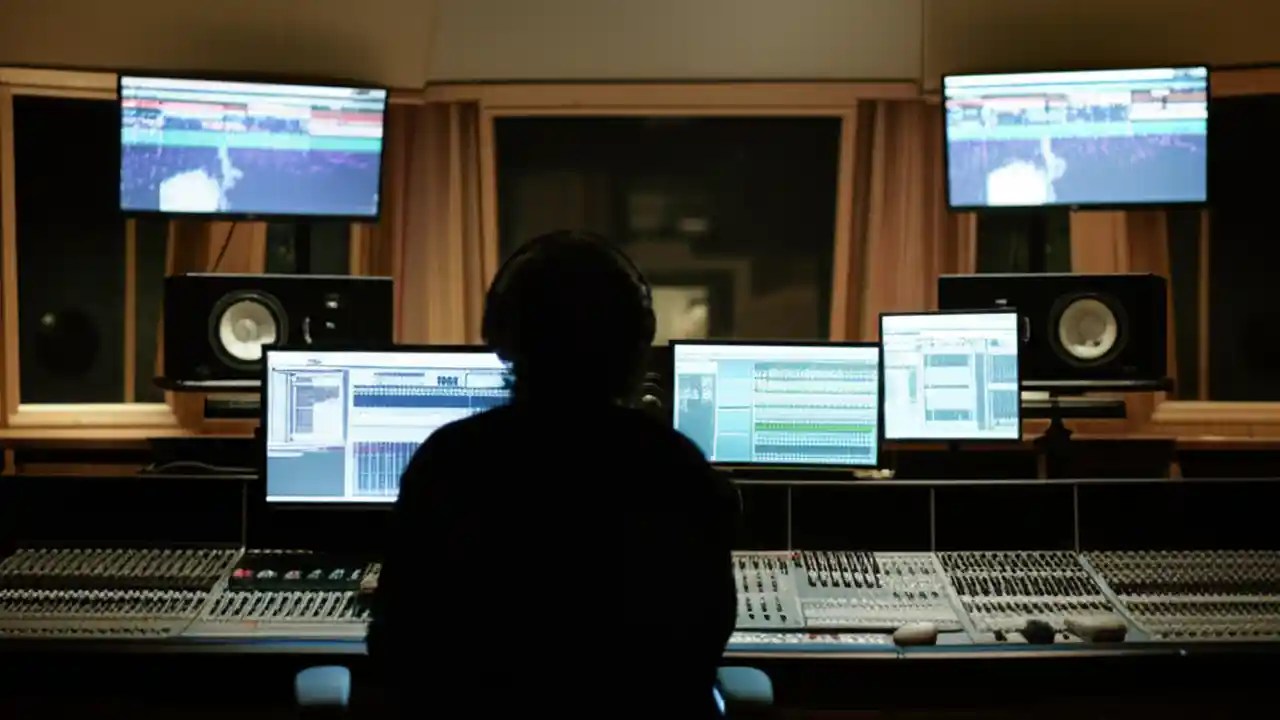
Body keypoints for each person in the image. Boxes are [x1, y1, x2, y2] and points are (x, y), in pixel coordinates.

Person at [368, 230, 740, 717]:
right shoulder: (676, 466)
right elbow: (705, 640)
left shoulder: (450, 460)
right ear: (638, 340)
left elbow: (395, 644)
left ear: (500, 335)